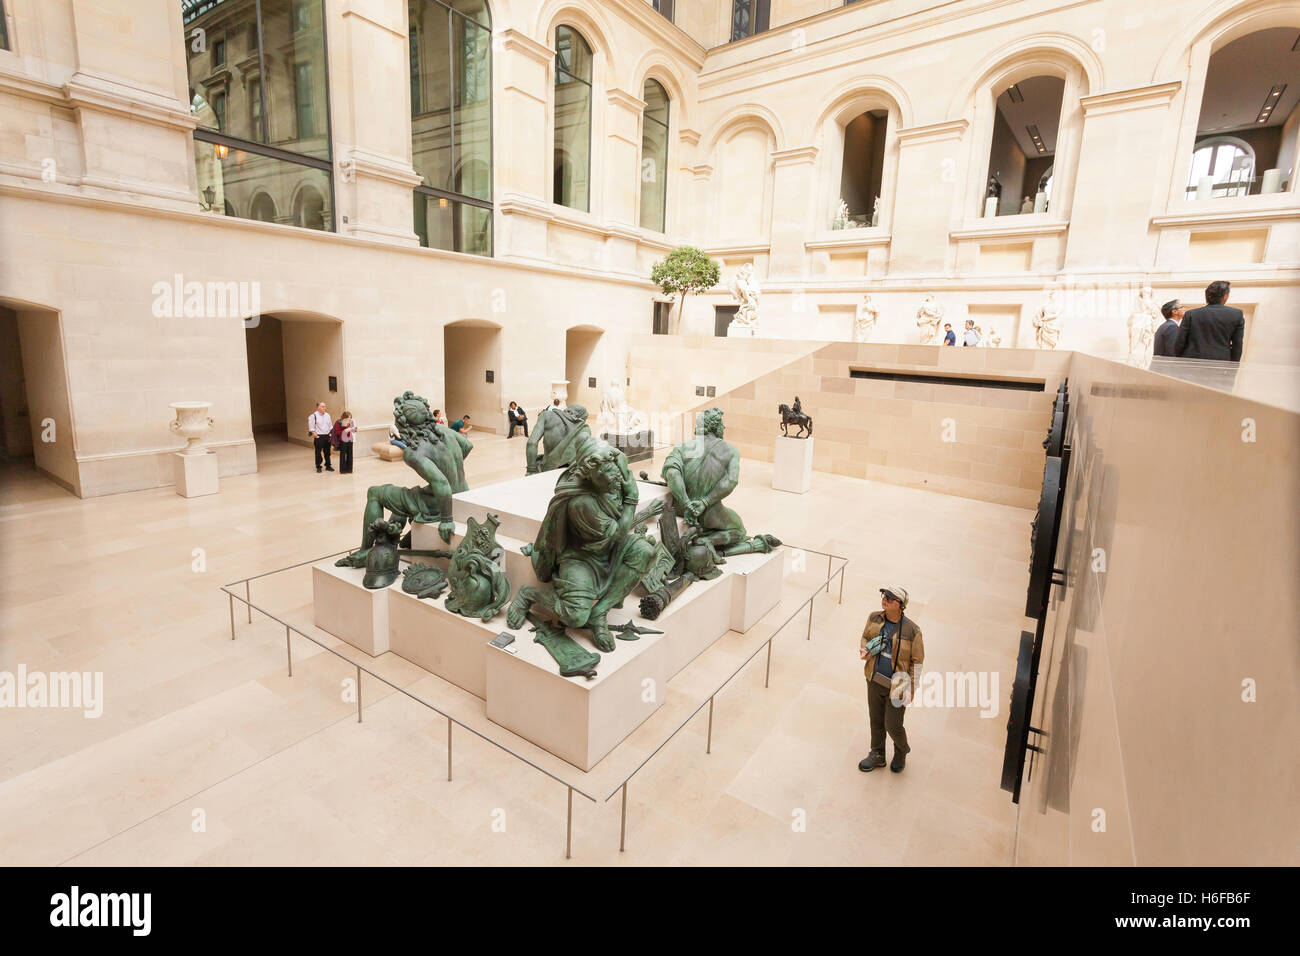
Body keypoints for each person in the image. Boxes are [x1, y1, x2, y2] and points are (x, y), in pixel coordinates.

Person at [859, 586, 924, 774]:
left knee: (893, 725)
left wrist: (911, 689)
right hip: (874, 678)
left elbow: (917, 662)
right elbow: (865, 637)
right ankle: (877, 754)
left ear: (900, 604)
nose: (884, 599)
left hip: (899, 686)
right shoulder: (874, 618)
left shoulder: (913, 631)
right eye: (884, 595)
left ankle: (902, 749)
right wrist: (864, 649)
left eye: (890, 597)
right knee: (876, 719)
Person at [1175, 280, 1245, 361]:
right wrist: (1233, 368)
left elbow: (1179, 343)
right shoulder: (1237, 314)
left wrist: (1180, 361)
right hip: (1220, 364)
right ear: (1225, 296)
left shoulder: (1190, 314)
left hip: (1191, 363)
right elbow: (1237, 346)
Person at [307, 401, 334, 473]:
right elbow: (311, 428)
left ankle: (328, 465)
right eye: (323, 406)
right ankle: (318, 466)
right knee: (318, 452)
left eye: (325, 406)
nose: (324, 408)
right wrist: (315, 434)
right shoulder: (313, 416)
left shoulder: (327, 415)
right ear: (318, 407)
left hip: (327, 436)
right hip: (319, 436)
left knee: (327, 452)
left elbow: (330, 426)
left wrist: (331, 434)